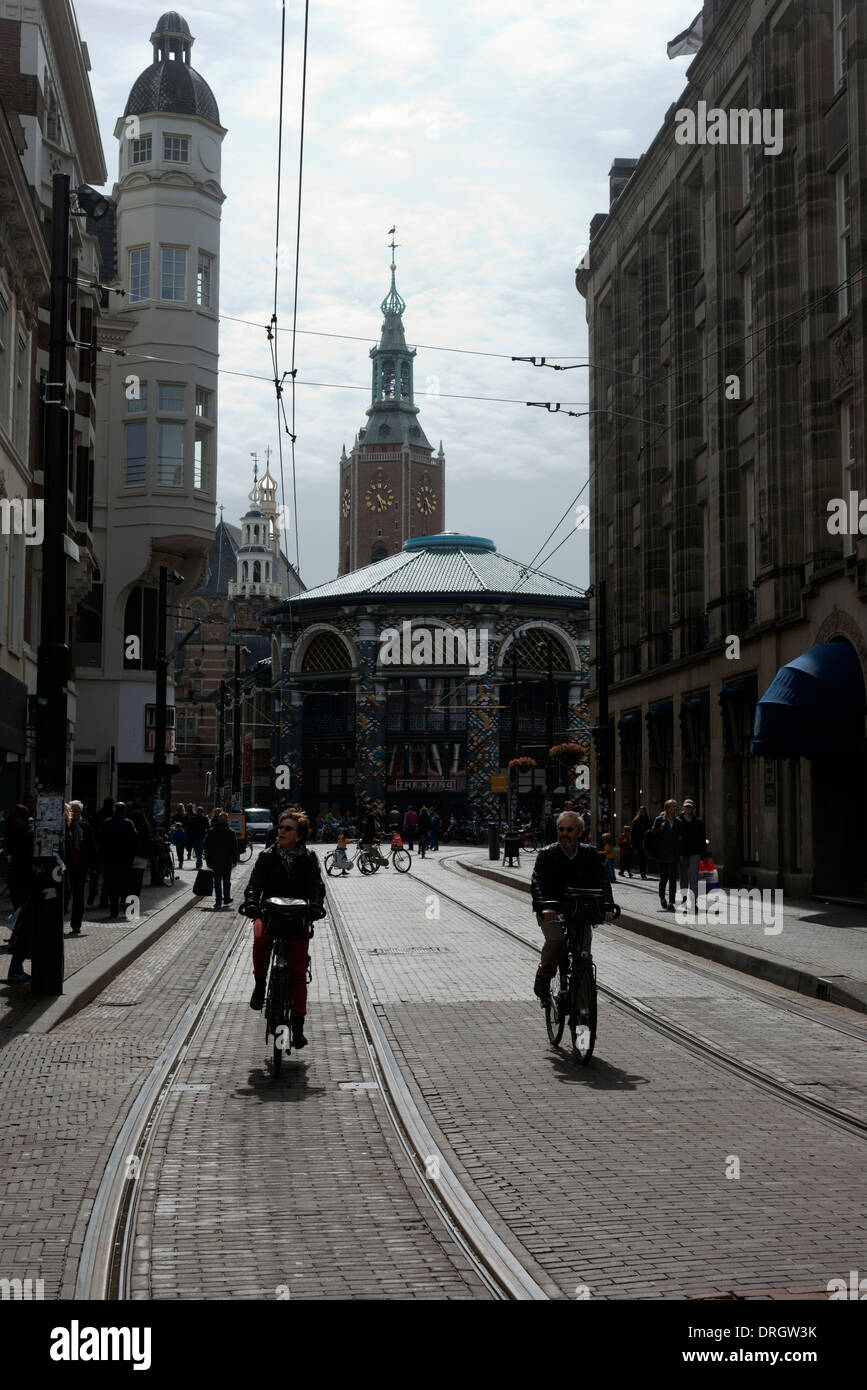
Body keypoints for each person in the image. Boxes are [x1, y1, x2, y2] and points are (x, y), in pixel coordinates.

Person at [242, 810, 326, 1048]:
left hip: (298, 917)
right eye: (280, 827)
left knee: (298, 972)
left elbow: (316, 886)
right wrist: (251, 902)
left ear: (299, 836)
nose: (281, 831)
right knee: (260, 940)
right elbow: (255, 883)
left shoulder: (309, 859)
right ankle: (260, 986)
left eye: (288, 829)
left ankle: (298, 1026)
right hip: (271, 914)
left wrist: (316, 906)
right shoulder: (267, 856)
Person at [529, 812, 615, 1001]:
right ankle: (544, 976)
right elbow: (537, 882)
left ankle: (583, 1007)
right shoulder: (546, 854)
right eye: (561, 829)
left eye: (570, 829)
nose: (564, 833)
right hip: (553, 909)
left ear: (580, 832)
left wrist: (608, 906)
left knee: (584, 955)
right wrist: (544, 906)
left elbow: (603, 881)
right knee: (556, 940)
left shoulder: (589, 853)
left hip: (580, 909)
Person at [98, 802, 138, 919]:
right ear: (124, 811)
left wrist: (103, 857)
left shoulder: (107, 823)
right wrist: (132, 857)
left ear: (115, 810)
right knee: (126, 885)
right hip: (126, 860)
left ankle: (114, 910)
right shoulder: (129, 824)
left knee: (112, 885)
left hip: (110, 860)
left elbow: (101, 841)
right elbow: (134, 842)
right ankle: (125, 907)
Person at [65, 800, 98, 935]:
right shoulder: (64, 826)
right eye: (72, 812)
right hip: (67, 865)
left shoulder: (85, 826)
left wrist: (94, 865)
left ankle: (76, 925)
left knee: (78, 895)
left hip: (81, 865)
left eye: (77, 812)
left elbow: (92, 846)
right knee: (65, 893)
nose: (74, 814)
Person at [649, 798, 680, 911]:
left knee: (672, 879)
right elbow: (652, 834)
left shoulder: (678, 821)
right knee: (663, 879)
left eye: (676, 806)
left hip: (673, 854)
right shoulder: (659, 820)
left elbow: (680, 837)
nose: (676, 808)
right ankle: (662, 897)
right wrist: (660, 829)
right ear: (667, 808)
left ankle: (671, 901)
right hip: (661, 854)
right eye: (674, 806)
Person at [204, 810, 239, 909]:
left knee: (217, 881)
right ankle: (227, 898)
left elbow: (207, 847)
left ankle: (218, 901)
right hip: (227, 860)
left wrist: (208, 860)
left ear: (218, 820)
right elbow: (234, 848)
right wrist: (235, 861)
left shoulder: (211, 832)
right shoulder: (231, 832)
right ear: (227, 820)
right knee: (227, 880)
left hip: (215, 860)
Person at [676, 799, 706, 910]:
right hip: (682, 853)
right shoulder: (678, 821)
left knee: (693, 878)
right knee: (683, 877)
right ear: (683, 808)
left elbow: (702, 838)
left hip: (695, 853)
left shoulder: (699, 822)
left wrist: (702, 852)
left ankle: (694, 901)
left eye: (690, 807)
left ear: (693, 809)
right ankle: (684, 899)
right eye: (686, 807)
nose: (688, 809)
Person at [4, 804, 34, 909]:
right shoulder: (14, 827)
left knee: (22, 898)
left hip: (24, 870)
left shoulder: (29, 830)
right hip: (18, 868)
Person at [128, 804, 154, 901]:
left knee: (130, 879)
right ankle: (134, 900)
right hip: (141, 856)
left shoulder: (129, 826)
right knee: (138, 879)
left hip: (130, 856)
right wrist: (149, 857)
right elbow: (149, 842)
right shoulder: (145, 829)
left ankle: (127, 898)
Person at [631, 806, 650, 879]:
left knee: (645, 857)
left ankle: (644, 871)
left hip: (646, 841)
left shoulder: (648, 820)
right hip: (639, 842)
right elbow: (633, 832)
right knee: (640, 857)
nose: (641, 813)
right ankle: (642, 872)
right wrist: (632, 842)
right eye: (640, 811)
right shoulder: (636, 821)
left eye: (643, 811)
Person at [187, 805, 209, 870]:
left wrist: (207, 833)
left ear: (202, 812)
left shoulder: (204, 819)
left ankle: (198, 862)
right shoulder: (194, 818)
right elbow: (190, 827)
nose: (199, 813)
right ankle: (199, 861)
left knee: (200, 850)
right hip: (195, 836)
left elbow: (207, 827)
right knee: (197, 850)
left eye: (200, 812)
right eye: (198, 812)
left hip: (201, 836)